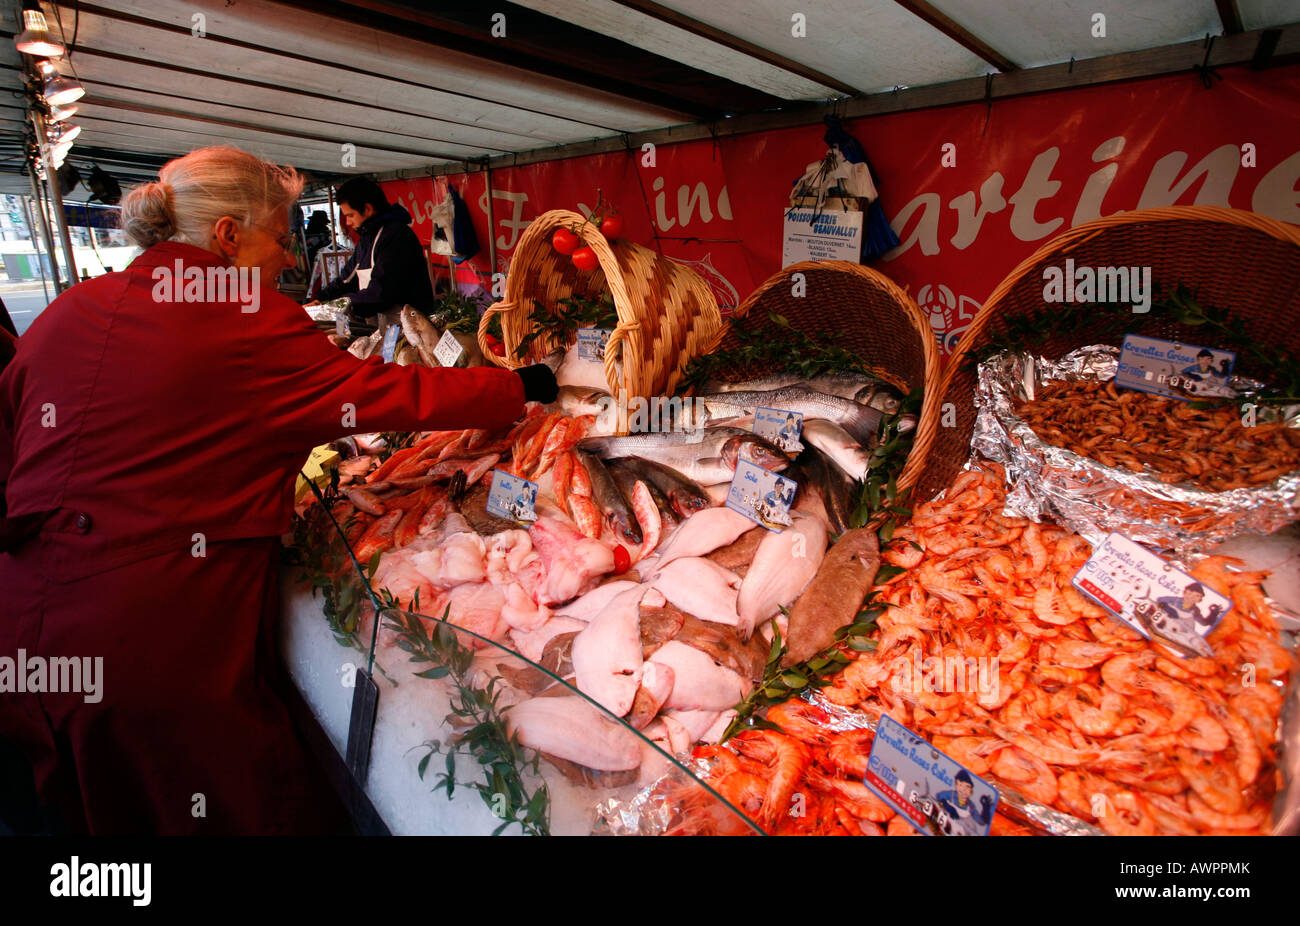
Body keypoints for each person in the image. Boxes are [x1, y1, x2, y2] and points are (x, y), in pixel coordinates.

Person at [0, 146, 557, 835]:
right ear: (228, 235)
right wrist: (517, 385)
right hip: (153, 644)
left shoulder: (67, 310)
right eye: (281, 237)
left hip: (24, 630)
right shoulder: (242, 321)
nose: (291, 259)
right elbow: (386, 393)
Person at [311, 178, 434, 329]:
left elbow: (381, 293)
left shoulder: (396, 236)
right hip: (381, 324)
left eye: (350, 215)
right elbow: (347, 279)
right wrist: (319, 300)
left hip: (410, 327)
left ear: (368, 209)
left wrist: (342, 304)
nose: (347, 222)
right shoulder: (367, 238)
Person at [936, 769, 993, 835]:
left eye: (967, 787)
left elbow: (981, 822)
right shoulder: (950, 794)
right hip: (941, 825)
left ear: (971, 792)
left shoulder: (971, 806)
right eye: (960, 785)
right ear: (956, 786)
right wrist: (946, 805)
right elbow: (939, 796)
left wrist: (986, 808)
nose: (963, 789)